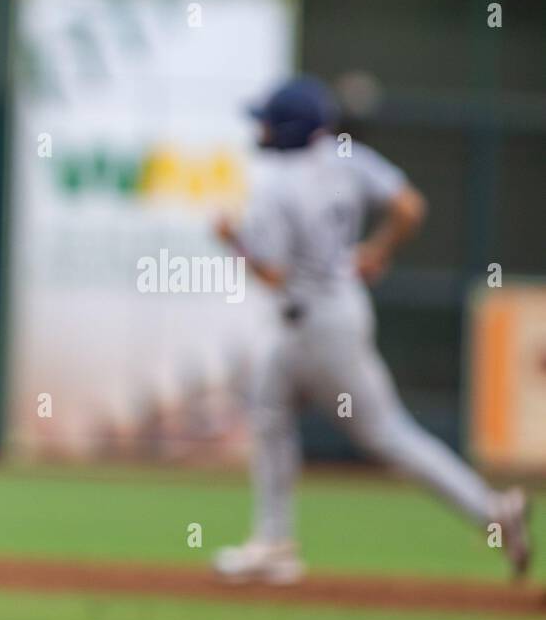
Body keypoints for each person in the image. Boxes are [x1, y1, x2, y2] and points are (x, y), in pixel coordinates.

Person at [212, 77, 531, 585]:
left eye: (268, 119)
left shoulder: (276, 182)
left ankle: (492, 510)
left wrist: (233, 242)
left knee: (386, 434)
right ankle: (273, 543)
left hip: (311, 323)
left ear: (288, 127)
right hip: (341, 310)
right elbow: (410, 206)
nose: (262, 128)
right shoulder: (347, 157)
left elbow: (273, 274)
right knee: (270, 412)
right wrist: (377, 252)